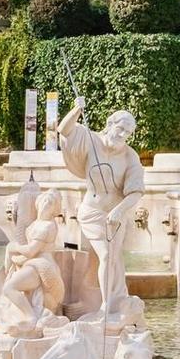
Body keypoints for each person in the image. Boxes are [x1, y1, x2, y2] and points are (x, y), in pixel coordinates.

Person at [56, 96, 143, 324]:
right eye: (120, 128)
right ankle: (107, 305)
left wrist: (119, 211)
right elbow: (64, 130)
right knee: (107, 255)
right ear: (110, 123)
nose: (122, 135)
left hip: (116, 216)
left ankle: (112, 302)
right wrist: (77, 108)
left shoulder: (130, 156)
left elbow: (136, 192)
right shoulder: (90, 140)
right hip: (92, 213)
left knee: (112, 258)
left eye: (128, 132)